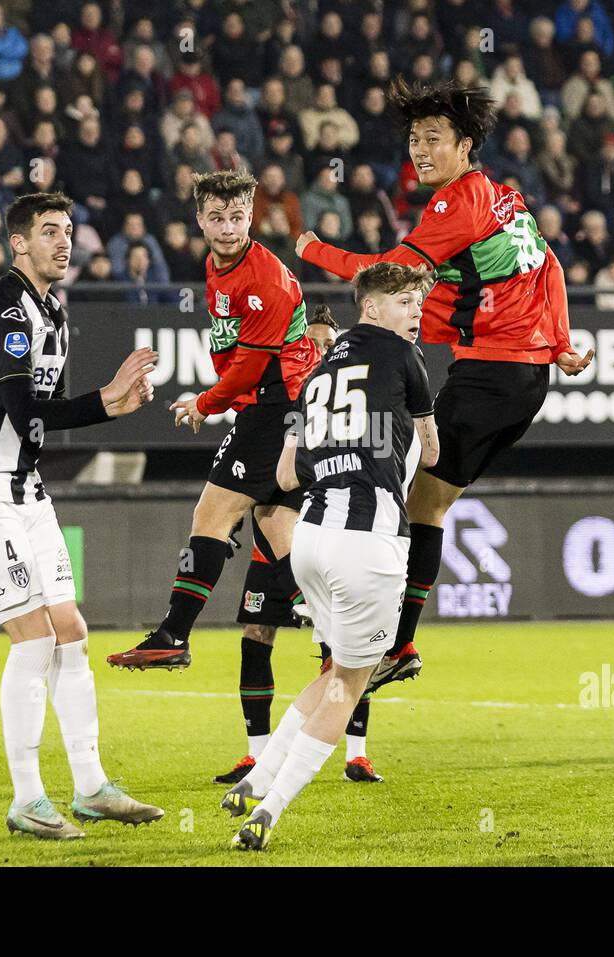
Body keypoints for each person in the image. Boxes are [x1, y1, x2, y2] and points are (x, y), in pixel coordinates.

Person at [296, 77, 593, 692]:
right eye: (413, 139)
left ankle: (373, 633)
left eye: (434, 139)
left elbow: (389, 275)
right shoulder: (506, 199)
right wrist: (560, 342)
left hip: (489, 374)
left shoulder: (455, 203)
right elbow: (551, 267)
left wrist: (315, 249)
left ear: (465, 146)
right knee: (425, 503)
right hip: (521, 379)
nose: (420, 151)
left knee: (395, 494)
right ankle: (388, 636)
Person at [0, 191, 162, 839]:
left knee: (72, 630)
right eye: (48, 232)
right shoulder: (9, 310)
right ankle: (27, 797)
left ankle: (90, 785)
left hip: (24, 488)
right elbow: (23, 412)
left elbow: (38, 424)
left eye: (68, 231)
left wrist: (110, 406)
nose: (64, 242)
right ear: (19, 244)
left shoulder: (55, 313)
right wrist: (106, 402)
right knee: (35, 637)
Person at [222, 261, 440, 850]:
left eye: (417, 303)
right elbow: (433, 448)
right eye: (404, 302)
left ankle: (258, 778)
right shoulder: (404, 358)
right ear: (371, 307)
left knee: (334, 671)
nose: (415, 312)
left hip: (311, 537)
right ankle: (269, 809)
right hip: (367, 541)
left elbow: (286, 472)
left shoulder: (316, 371)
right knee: (350, 683)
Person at [106, 170, 322, 681]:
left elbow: (250, 364)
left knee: (211, 515)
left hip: (276, 404)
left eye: (238, 217)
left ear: (251, 216)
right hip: (282, 406)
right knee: (276, 525)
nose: (228, 228)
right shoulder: (216, 264)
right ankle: (349, 626)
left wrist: (206, 402)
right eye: (217, 218)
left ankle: (174, 635)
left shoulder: (265, 277)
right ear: (200, 219)